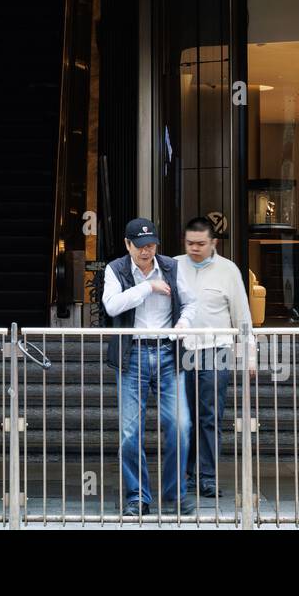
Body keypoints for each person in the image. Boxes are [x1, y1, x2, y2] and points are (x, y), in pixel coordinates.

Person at [102, 217, 195, 517]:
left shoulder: (171, 266)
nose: (147, 252)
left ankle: (174, 493)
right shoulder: (115, 270)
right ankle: (136, 496)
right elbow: (112, 305)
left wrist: (183, 322)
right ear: (128, 245)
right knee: (130, 432)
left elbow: (192, 303)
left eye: (151, 245)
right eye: (140, 246)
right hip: (133, 356)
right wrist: (147, 288)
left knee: (180, 424)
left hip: (168, 352)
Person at [176, 217, 253, 499]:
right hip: (180, 349)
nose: (194, 249)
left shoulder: (228, 270)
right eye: (190, 243)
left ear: (214, 243)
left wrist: (249, 354)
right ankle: (185, 473)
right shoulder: (174, 266)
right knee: (182, 416)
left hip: (216, 350)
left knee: (209, 416)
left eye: (200, 243)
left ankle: (206, 477)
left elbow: (242, 314)